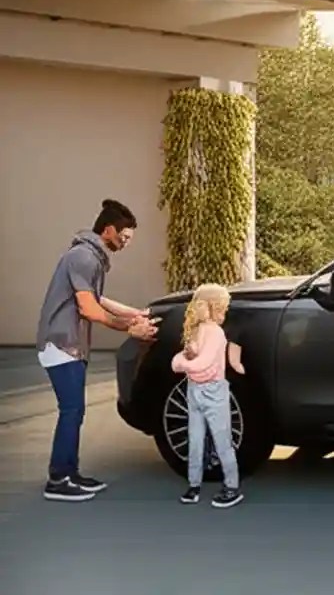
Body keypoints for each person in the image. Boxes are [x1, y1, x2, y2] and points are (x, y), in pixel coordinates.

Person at [36, 199, 157, 502]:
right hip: (61, 344)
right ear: (108, 230)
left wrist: (135, 314)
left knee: (74, 412)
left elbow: (99, 299)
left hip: (69, 346)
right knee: (71, 411)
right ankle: (58, 479)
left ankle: (70, 472)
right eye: (124, 237)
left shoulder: (89, 256)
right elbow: (89, 309)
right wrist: (130, 329)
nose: (126, 243)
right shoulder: (84, 258)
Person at [171, 283, 245, 508]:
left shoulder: (215, 333)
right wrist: (187, 359)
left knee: (222, 440)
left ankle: (231, 485)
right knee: (195, 439)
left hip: (213, 390)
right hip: (195, 390)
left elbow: (198, 363)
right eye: (222, 307)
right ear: (213, 307)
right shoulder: (199, 330)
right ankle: (194, 484)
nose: (224, 312)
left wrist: (182, 363)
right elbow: (192, 360)